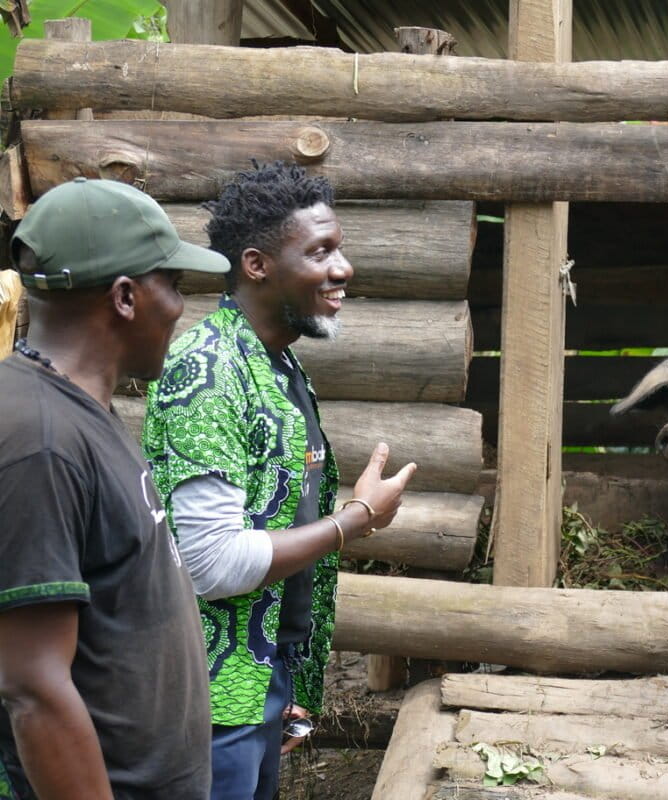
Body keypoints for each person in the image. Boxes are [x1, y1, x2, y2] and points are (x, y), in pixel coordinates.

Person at [142, 161, 416, 800]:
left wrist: (289, 682)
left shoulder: (280, 364)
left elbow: (280, 524)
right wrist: (355, 520)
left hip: (263, 682)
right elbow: (212, 564)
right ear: (258, 264)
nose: (342, 268)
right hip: (210, 701)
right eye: (320, 252)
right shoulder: (205, 373)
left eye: (339, 248)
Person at [0, 178, 231, 799]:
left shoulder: (82, 411)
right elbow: (32, 688)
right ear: (126, 297)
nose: (181, 308)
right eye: (174, 285)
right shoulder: (37, 441)